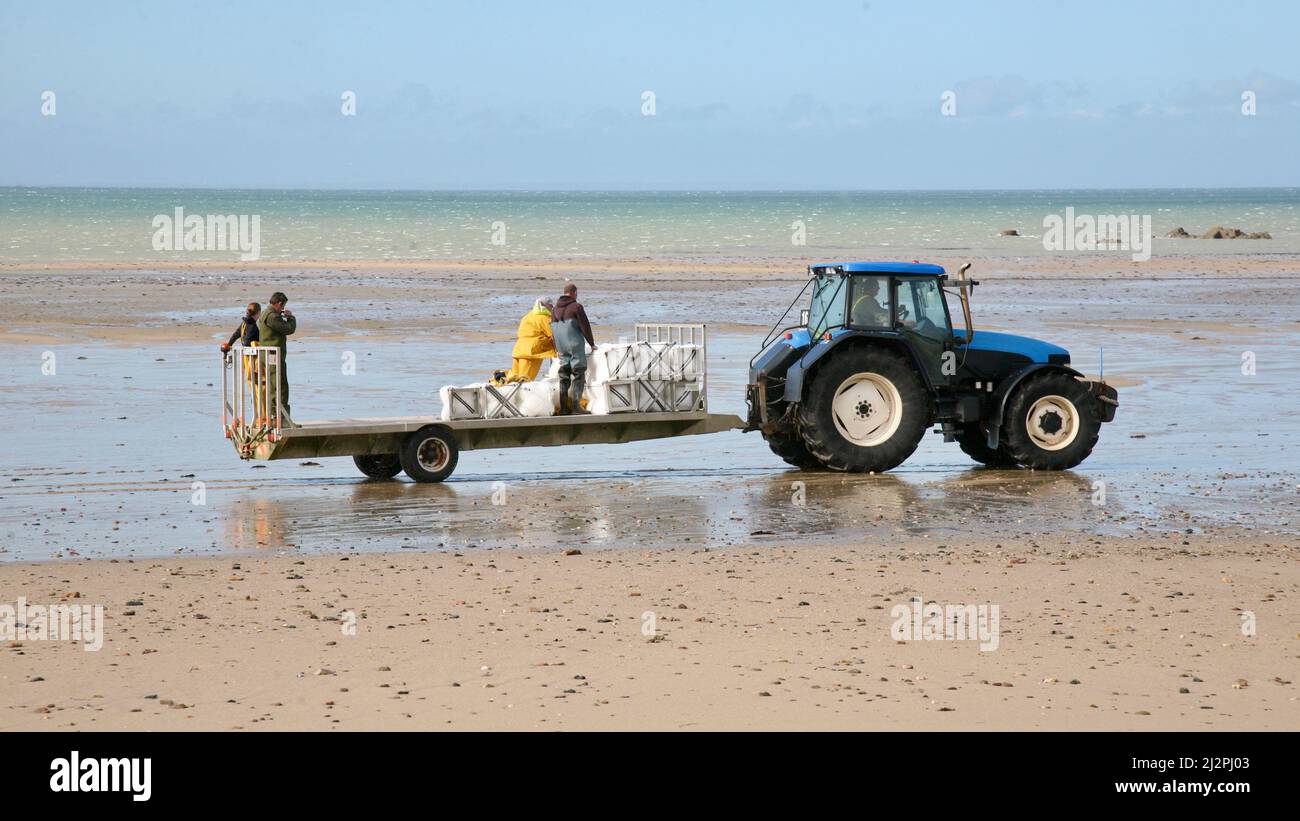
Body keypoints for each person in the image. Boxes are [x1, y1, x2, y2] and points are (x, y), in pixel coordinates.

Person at [551, 282, 595, 414]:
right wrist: (592, 343)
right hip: (574, 344)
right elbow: (585, 326)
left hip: (561, 346)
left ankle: (564, 409)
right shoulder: (576, 307)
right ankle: (576, 407)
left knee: (563, 375)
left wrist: (556, 347)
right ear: (574, 293)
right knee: (578, 373)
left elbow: (552, 330)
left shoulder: (554, 309)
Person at [256, 292, 297, 425]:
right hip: (273, 355)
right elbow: (289, 329)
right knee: (280, 385)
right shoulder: (273, 317)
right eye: (283, 306)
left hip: (267, 355)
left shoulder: (266, 313)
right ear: (279, 304)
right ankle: (280, 418)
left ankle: (273, 416)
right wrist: (291, 317)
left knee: (273, 385)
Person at [503, 298, 557, 382]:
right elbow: (554, 335)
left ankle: (506, 393)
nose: (552, 307)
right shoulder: (545, 318)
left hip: (518, 350)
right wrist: (559, 350)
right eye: (550, 305)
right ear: (543, 305)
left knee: (513, 380)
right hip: (532, 353)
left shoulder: (527, 316)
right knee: (525, 381)